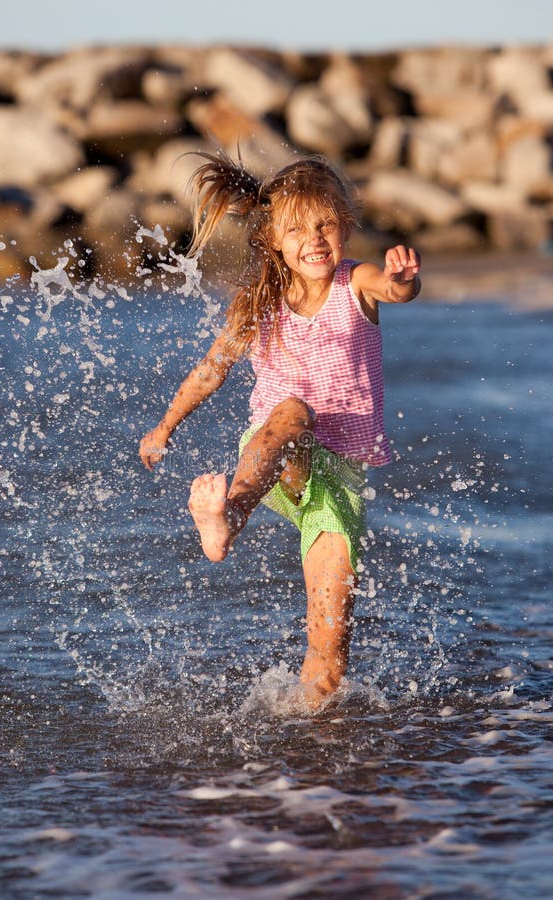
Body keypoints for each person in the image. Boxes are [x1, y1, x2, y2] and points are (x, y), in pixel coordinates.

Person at [139, 151, 421, 709]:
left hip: (337, 478)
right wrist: (164, 425)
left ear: (344, 225)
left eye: (326, 225)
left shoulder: (355, 281)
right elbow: (211, 369)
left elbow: (394, 291)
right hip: (272, 453)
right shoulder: (259, 303)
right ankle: (226, 517)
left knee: (332, 648)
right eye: (296, 230)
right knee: (294, 413)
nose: (314, 240)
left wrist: (403, 281)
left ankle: (311, 744)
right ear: (271, 239)